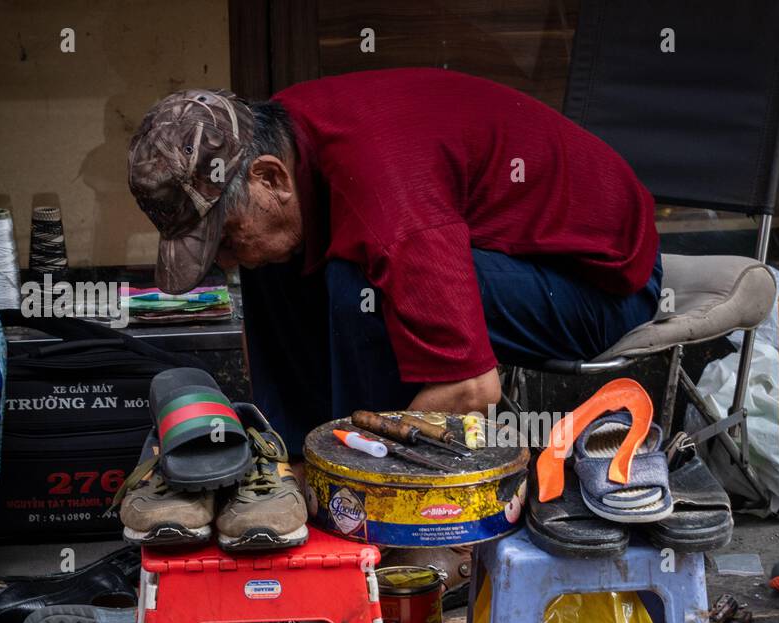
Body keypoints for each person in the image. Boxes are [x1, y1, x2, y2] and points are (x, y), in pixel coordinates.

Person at [127, 68, 662, 451]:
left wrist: (361, 466)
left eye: (224, 236)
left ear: (271, 177)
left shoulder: (387, 204)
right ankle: (294, 467)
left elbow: (473, 387)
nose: (224, 259)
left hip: (600, 287)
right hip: (485, 245)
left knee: (356, 282)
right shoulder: (284, 138)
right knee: (268, 259)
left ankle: (363, 503)